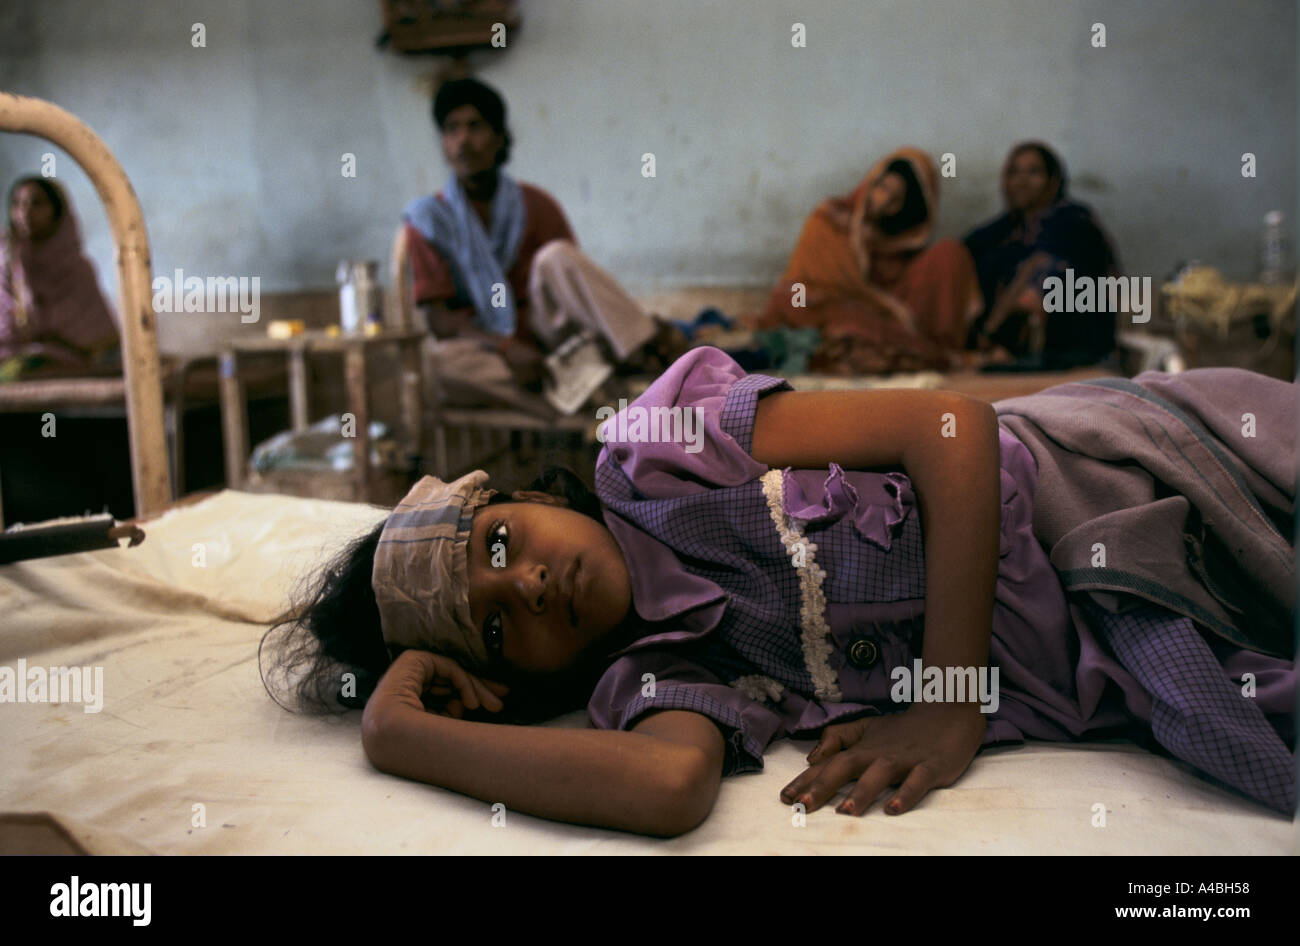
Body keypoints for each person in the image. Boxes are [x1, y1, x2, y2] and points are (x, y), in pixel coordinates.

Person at [262, 346, 1296, 836]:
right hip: (1134, 649)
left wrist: (945, 706)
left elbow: (948, 427)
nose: (528, 582)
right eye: (495, 626)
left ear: (527, 492)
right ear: (509, 681)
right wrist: (401, 735)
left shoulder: (658, 451)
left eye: (500, 541)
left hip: (1106, 488)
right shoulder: (657, 676)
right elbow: (666, 790)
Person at [402, 77, 681, 417]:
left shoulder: (535, 205)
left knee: (556, 257)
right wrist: (504, 346)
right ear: (444, 143)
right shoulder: (430, 219)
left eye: (475, 126)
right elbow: (439, 321)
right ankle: (580, 397)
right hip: (488, 350)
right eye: (451, 129)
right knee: (441, 362)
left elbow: (572, 294)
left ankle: (648, 352)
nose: (463, 141)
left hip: (551, 341)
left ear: (499, 137)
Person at [757, 147, 988, 375]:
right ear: (871, 181)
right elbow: (812, 284)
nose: (883, 200)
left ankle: (929, 351)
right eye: (883, 187)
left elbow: (903, 300)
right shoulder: (829, 218)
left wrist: (884, 310)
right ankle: (916, 351)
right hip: (836, 307)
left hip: (889, 320)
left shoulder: (905, 245)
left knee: (950, 253)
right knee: (796, 301)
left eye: (896, 199)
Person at [963, 141, 1122, 367]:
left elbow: (1037, 277)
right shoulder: (1006, 228)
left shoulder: (1073, 221)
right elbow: (962, 251)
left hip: (1072, 348)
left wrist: (989, 332)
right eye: (1014, 172)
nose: (1021, 181)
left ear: (1053, 181)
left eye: (1034, 172)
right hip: (1008, 347)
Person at [1, 176, 119, 380]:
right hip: (9, 355)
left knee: (22, 371)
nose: (25, 213)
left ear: (57, 212)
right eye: (18, 204)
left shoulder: (77, 269)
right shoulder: (6, 264)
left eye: (37, 203)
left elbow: (96, 339)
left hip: (66, 359)